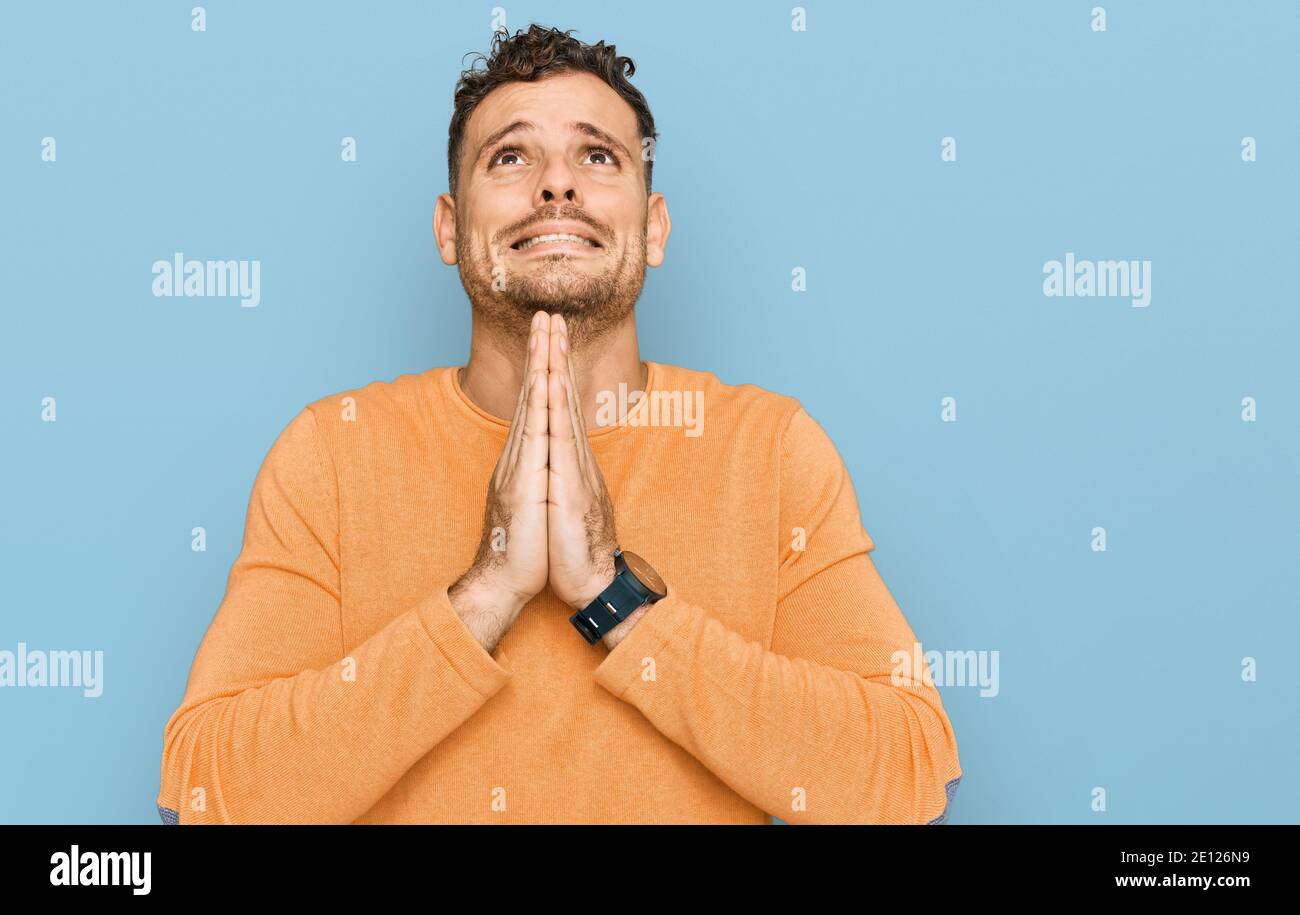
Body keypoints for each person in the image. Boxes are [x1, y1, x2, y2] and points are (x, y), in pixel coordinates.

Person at [157, 24, 963, 825]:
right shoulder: (331, 452)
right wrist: (486, 593)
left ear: (654, 228)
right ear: (448, 227)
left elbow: (908, 779)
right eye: (510, 157)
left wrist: (614, 598)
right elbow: (203, 796)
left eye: (597, 156)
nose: (555, 186)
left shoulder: (772, 450)